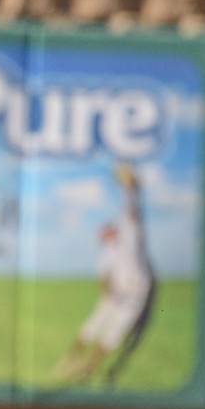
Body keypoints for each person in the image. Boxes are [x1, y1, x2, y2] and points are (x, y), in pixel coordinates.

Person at [56, 162, 157, 386]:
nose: (107, 232)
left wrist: (129, 188)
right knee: (90, 329)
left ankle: (87, 371)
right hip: (114, 295)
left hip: (136, 294)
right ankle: (69, 360)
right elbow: (103, 276)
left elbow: (131, 210)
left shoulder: (130, 235)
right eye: (104, 233)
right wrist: (108, 293)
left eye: (109, 229)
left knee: (111, 338)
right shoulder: (108, 252)